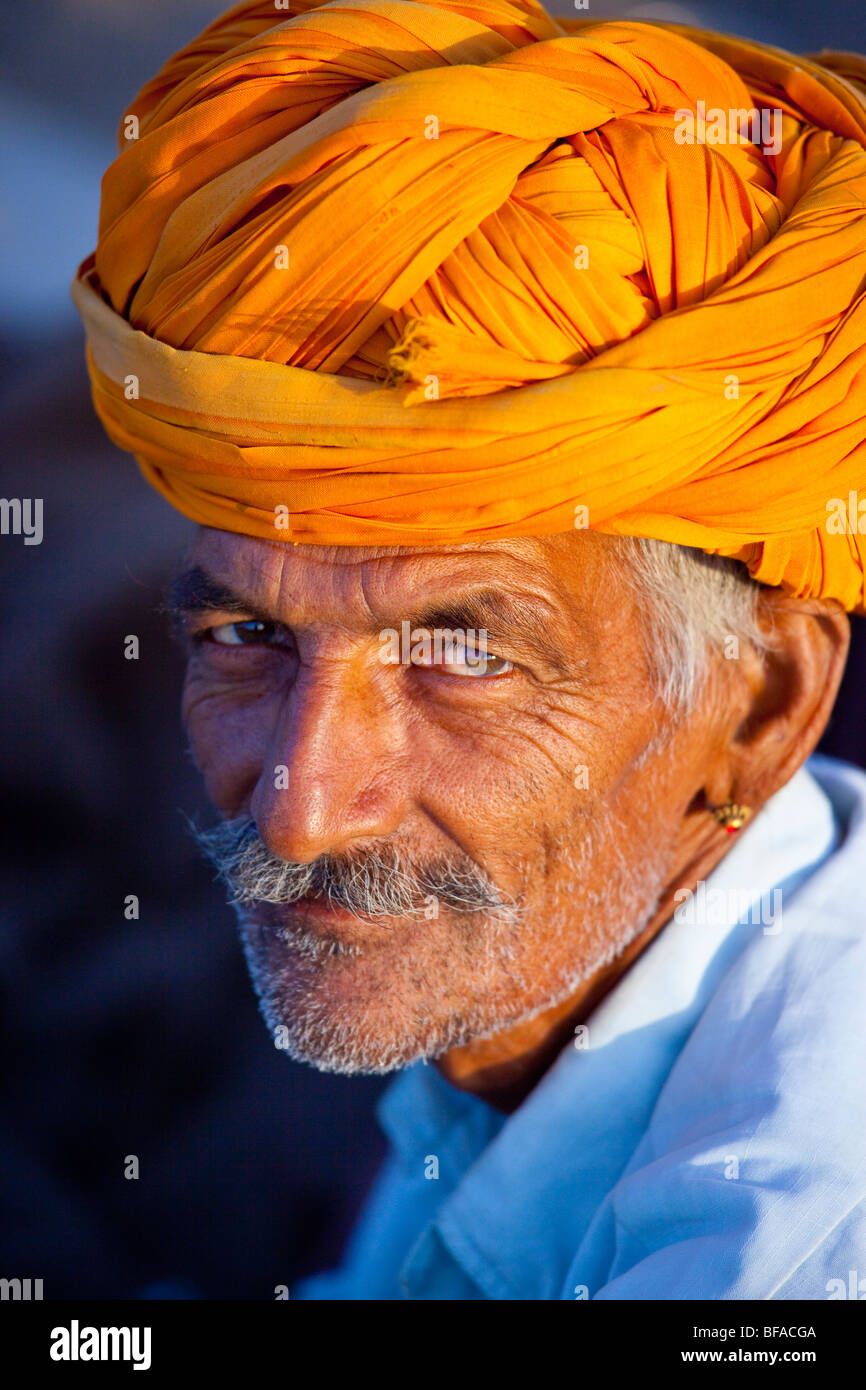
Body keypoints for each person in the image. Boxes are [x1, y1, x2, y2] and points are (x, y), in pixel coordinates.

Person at [72, 0, 866, 1299]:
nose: (299, 807)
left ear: (761, 708)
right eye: (245, 634)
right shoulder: (534, 1006)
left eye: (459, 654)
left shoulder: (778, 1263)